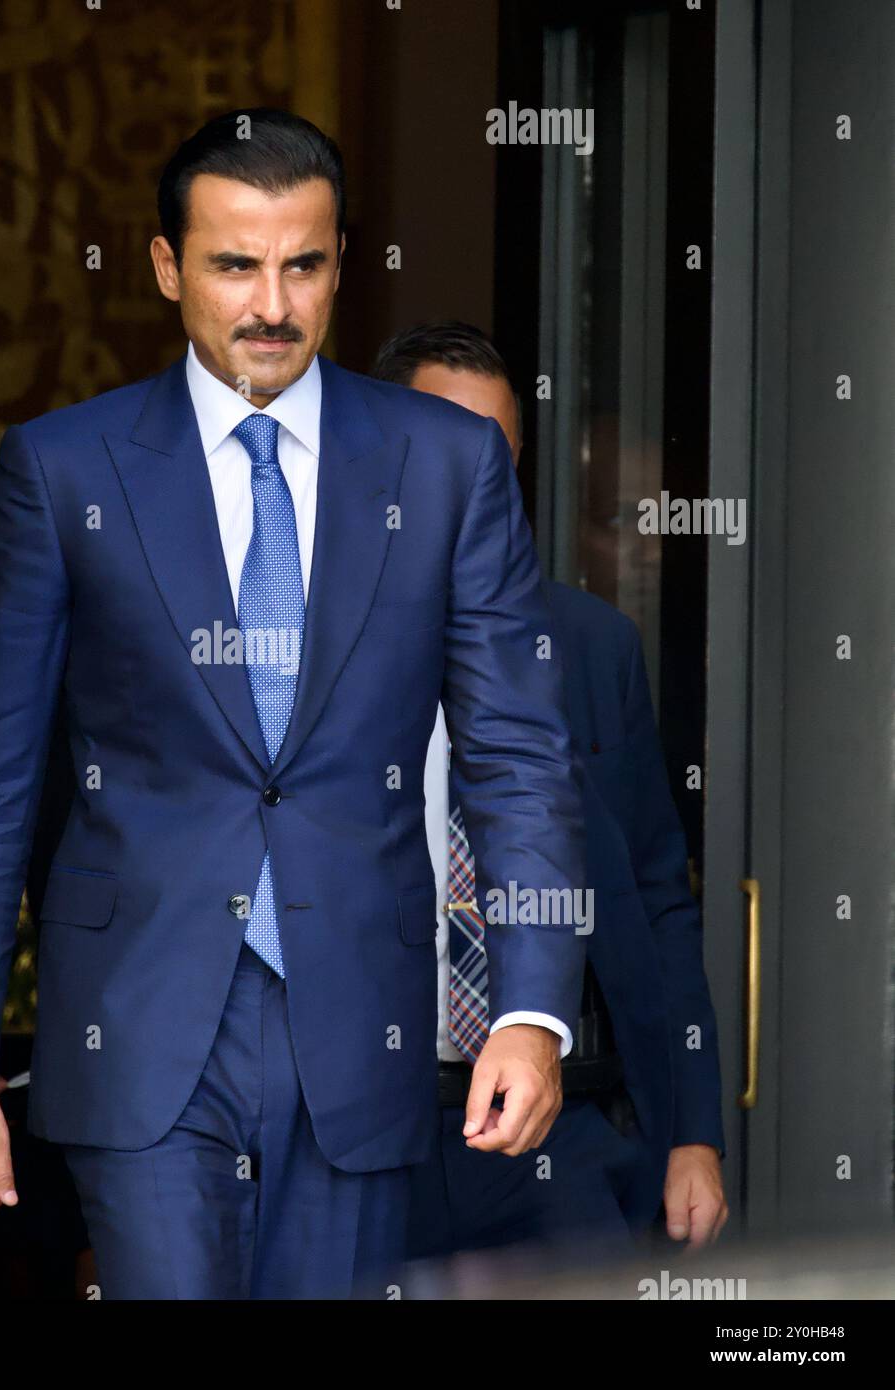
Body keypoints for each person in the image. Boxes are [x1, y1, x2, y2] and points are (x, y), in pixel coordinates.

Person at [0, 109, 587, 1300]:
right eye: (234, 263)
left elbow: (516, 752)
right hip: (138, 1015)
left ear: (338, 267)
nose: (271, 303)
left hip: (363, 1017)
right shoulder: (66, 468)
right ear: (168, 269)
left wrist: (531, 1006)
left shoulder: (444, 463)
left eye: (303, 264)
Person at [372, 322, 726, 1259]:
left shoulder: (591, 646)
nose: (470, 478)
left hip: (553, 1131)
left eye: (498, 459)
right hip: (360, 1128)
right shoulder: (301, 635)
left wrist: (692, 1131)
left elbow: (657, 898)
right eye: (445, 445)